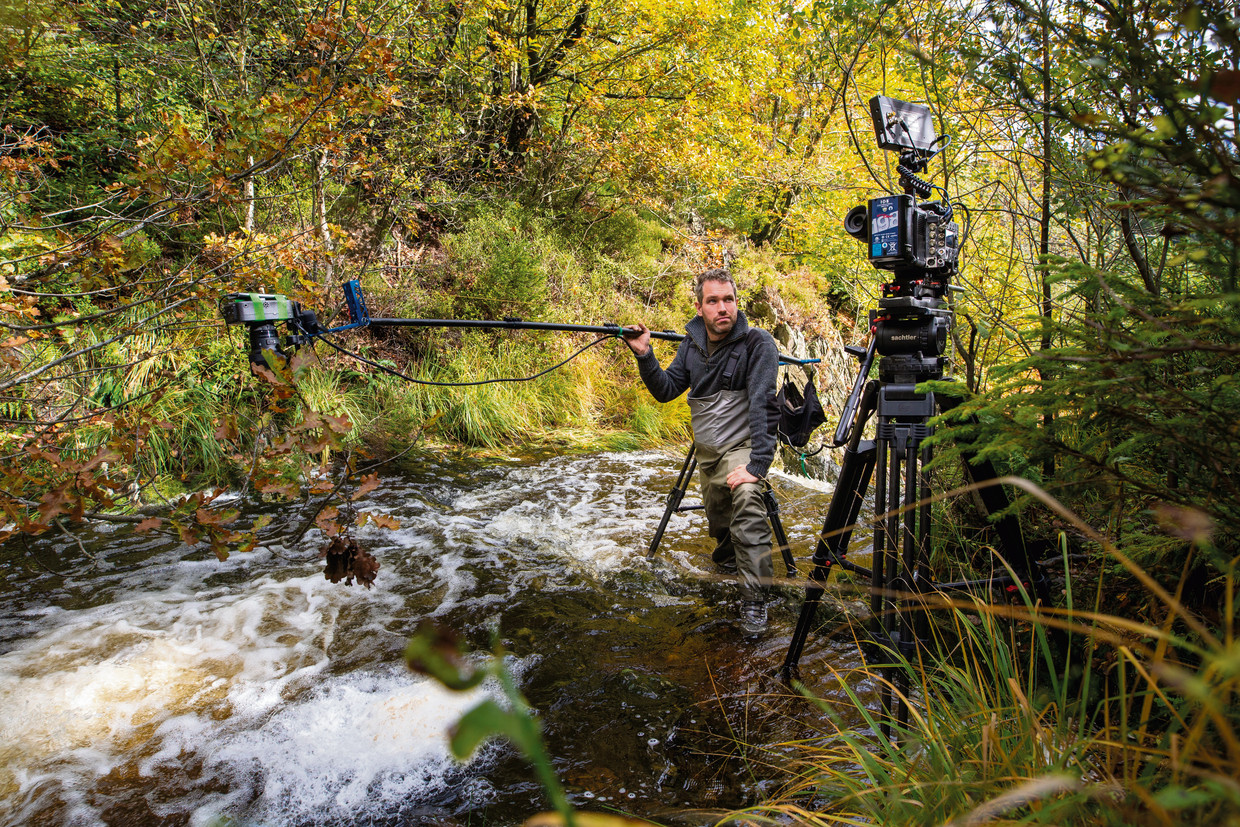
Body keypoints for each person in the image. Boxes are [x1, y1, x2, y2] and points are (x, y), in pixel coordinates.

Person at [624, 268, 780, 634]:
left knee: (746, 499)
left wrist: (758, 466)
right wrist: (645, 355)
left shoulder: (759, 344)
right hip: (708, 452)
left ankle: (756, 601)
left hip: (744, 445)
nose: (722, 308)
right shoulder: (691, 346)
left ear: (737, 303)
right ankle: (728, 569)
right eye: (713, 301)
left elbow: (763, 404)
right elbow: (666, 390)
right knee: (720, 522)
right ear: (699, 307)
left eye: (729, 299)